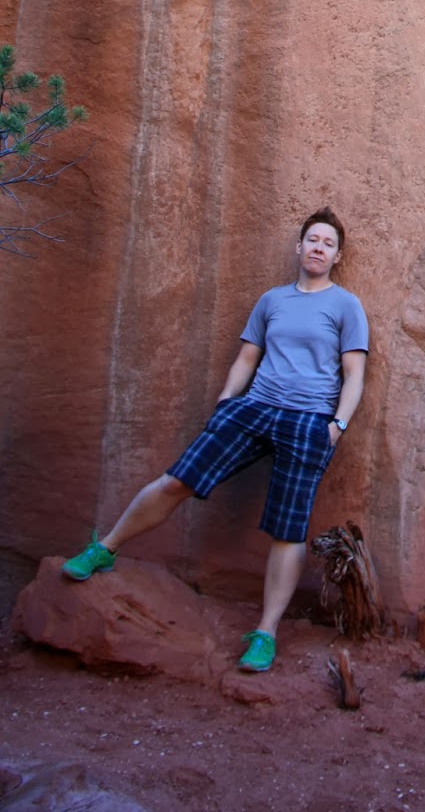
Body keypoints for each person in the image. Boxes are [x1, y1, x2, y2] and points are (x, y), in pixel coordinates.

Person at [61, 206, 368, 674]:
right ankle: (104, 547)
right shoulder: (272, 301)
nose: (318, 248)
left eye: (327, 243)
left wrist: (337, 426)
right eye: (312, 240)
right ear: (298, 246)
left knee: (288, 528)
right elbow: (248, 357)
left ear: (338, 255)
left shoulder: (346, 306)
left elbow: (354, 373)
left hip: (309, 422)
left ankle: (264, 633)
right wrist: (227, 401)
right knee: (177, 480)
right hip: (253, 409)